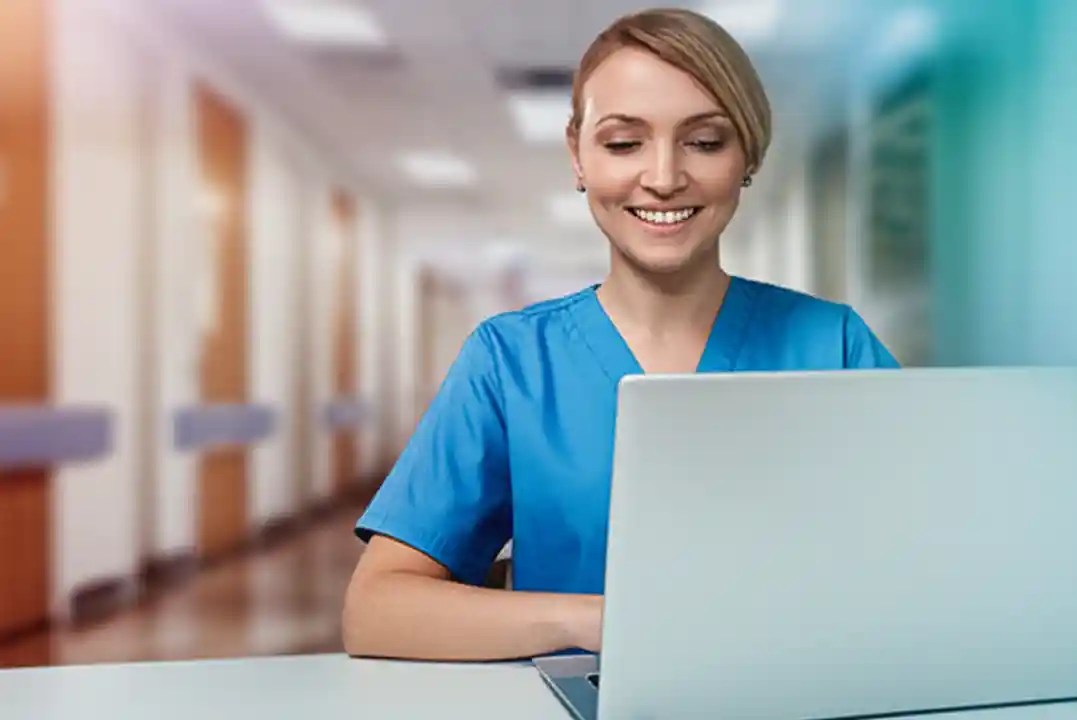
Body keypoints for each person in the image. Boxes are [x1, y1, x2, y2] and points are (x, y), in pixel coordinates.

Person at [341, 7, 899, 662]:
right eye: (624, 142)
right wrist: (602, 621)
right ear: (578, 155)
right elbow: (376, 611)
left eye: (705, 141)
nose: (663, 177)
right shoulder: (511, 362)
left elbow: (933, 560)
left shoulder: (834, 347)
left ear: (748, 155)